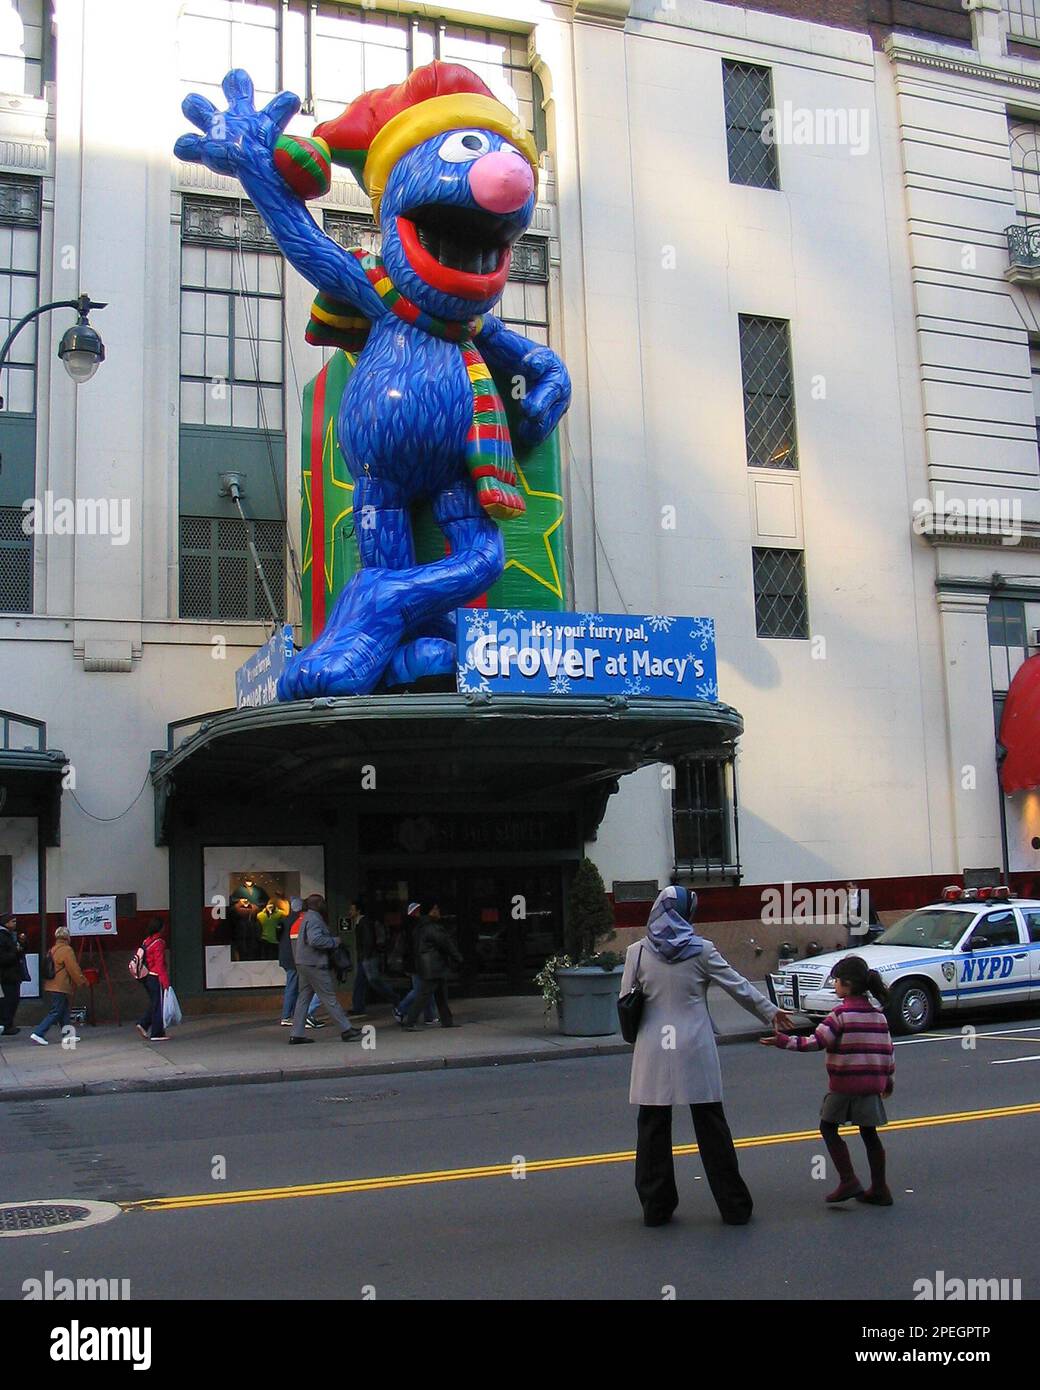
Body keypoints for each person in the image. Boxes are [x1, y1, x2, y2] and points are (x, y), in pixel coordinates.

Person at [622, 885, 795, 1227]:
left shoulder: (637, 952)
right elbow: (738, 985)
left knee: (653, 1128)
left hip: (654, 1047)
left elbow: (625, 997)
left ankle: (656, 1208)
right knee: (711, 1126)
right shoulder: (701, 950)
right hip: (694, 1045)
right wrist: (770, 1012)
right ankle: (734, 1206)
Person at [762, 954, 894, 1206]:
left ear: (847, 985)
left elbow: (816, 1042)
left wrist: (783, 1041)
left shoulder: (840, 1015)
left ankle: (848, 1180)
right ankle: (880, 1187)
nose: (834, 985)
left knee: (828, 1128)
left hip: (844, 1085)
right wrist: (888, 1080)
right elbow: (888, 1052)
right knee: (870, 1134)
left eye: (836, 981)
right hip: (871, 1086)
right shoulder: (879, 1017)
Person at [290, 894, 362, 1045]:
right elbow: (315, 940)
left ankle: (296, 1034)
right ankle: (346, 1030)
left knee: (303, 998)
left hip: (303, 963)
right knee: (329, 998)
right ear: (317, 904)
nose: (325, 904)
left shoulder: (306, 917)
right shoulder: (315, 918)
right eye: (322, 902)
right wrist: (334, 941)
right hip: (314, 964)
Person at [400, 900, 463, 1030]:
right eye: (436, 909)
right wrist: (458, 958)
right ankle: (410, 1022)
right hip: (434, 966)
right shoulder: (432, 927)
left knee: (440, 995)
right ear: (431, 912)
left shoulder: (421, 926)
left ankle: (447, 1021)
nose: (438, 912)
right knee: (424, 995)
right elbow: (446, 944)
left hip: (430, 966)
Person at [30, 924, 87, 1045]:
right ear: (67, 937)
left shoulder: (53, 949)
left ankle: (68, 1035)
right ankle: (39, 1032)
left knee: (64, 1009)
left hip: (51, 984)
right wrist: (82, 981)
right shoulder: (66, 950)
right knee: (56, 1011)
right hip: (60, 985)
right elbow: (73, 968)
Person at [350, 898, 401, 1015]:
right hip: (365, 957)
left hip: (367, 957)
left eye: (352, 909)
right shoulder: (362, 922)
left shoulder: (364, 923)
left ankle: (395, 998)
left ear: (358, 911)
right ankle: (358, 1006)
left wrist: (366, 956)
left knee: (374, 981)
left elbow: (368, 941)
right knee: (361, 982)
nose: (350, 912)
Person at [277, 898, 321, 1027]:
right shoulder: (301, 921)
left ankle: (293, 1014)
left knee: (293, 985)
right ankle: (288, 1016)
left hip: (286, 957)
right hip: (295, 958)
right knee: (294, 986)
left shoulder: (284, 921)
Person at [394, 902, 438, 1025]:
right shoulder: (417, 927)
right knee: (421, 989)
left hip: (415, 962)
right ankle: (401, 1009)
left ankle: (430, 1016)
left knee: (425, 988)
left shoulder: (410, 926)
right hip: (419, 962)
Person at [135, 918, 170, 1042]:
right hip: (156, 976)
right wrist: (165, 982)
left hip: (146, 976)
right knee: (158, 1004)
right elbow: (159, 964)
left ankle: (144, 1024)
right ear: (160, 928)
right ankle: (157, 1032)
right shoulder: (159, 942)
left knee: (155, 1003)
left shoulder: (147, 941)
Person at [0, 911, 28, 1037]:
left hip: (13, 973)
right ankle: (6, 1025)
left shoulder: (11, 935)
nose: (15, 924)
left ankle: (8, 1024)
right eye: (13, 921)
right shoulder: (3, 936)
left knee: (13, 1000)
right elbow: (4, 958)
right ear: (6, 923)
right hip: (7, 975)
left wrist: (22, 944)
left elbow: (19, 952)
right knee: (9, 1000)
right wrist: (16, 953)